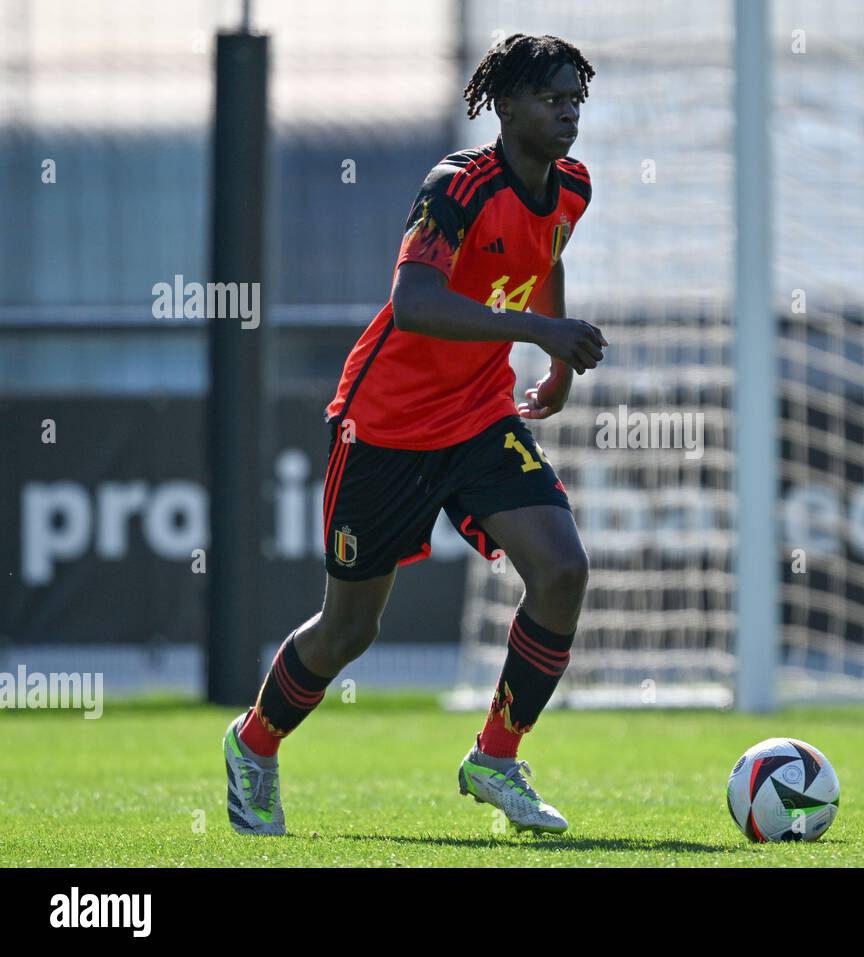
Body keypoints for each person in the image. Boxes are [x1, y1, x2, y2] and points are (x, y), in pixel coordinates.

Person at [223, 33, 602, 836]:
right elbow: (413, 302)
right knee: (350, 630)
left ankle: (495, 758)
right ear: (504, 106)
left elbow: (550, 254)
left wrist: (557, 362)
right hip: (387, 425)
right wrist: (539, 328)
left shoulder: (573, 187)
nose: (569, 112)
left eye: (577, 98)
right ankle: (254, 745)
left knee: (562, 569)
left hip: (481, 417)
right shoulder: (456, 185)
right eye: (552, 98)